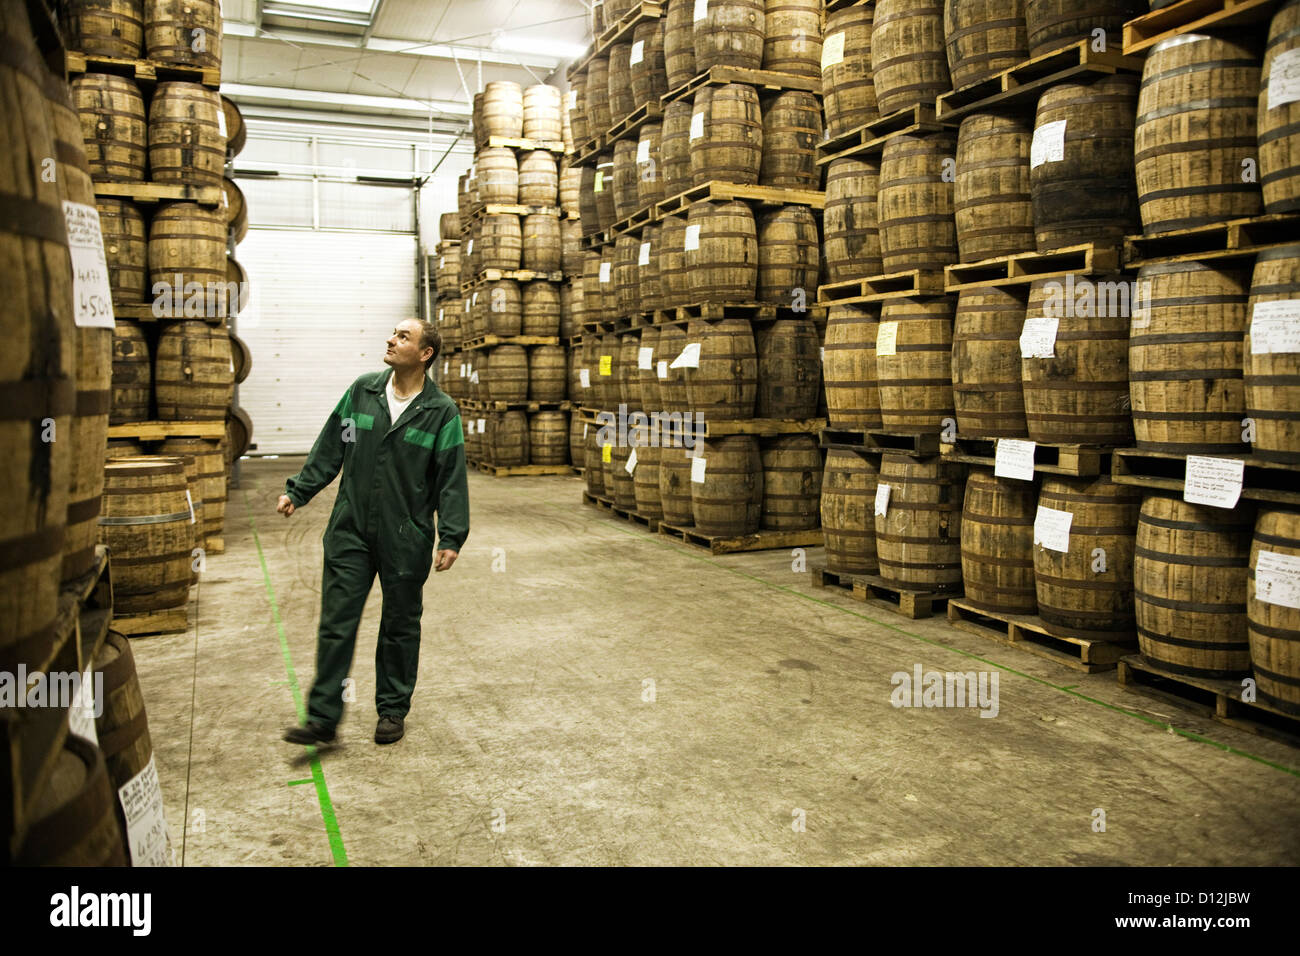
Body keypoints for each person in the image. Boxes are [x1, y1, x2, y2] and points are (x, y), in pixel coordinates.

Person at [279, 318, 469, 745]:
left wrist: (452, 536)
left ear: (425, 355)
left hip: (406, 535)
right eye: (393, 333)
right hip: (350, 528)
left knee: (400, 624)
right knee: (336, 621)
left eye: (403, 336)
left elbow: (450, 480)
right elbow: (332, 447)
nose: (391, 339)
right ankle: (323, 717)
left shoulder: (441, 413)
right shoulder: (362, 393)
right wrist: (300, 490)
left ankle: (392, 709)